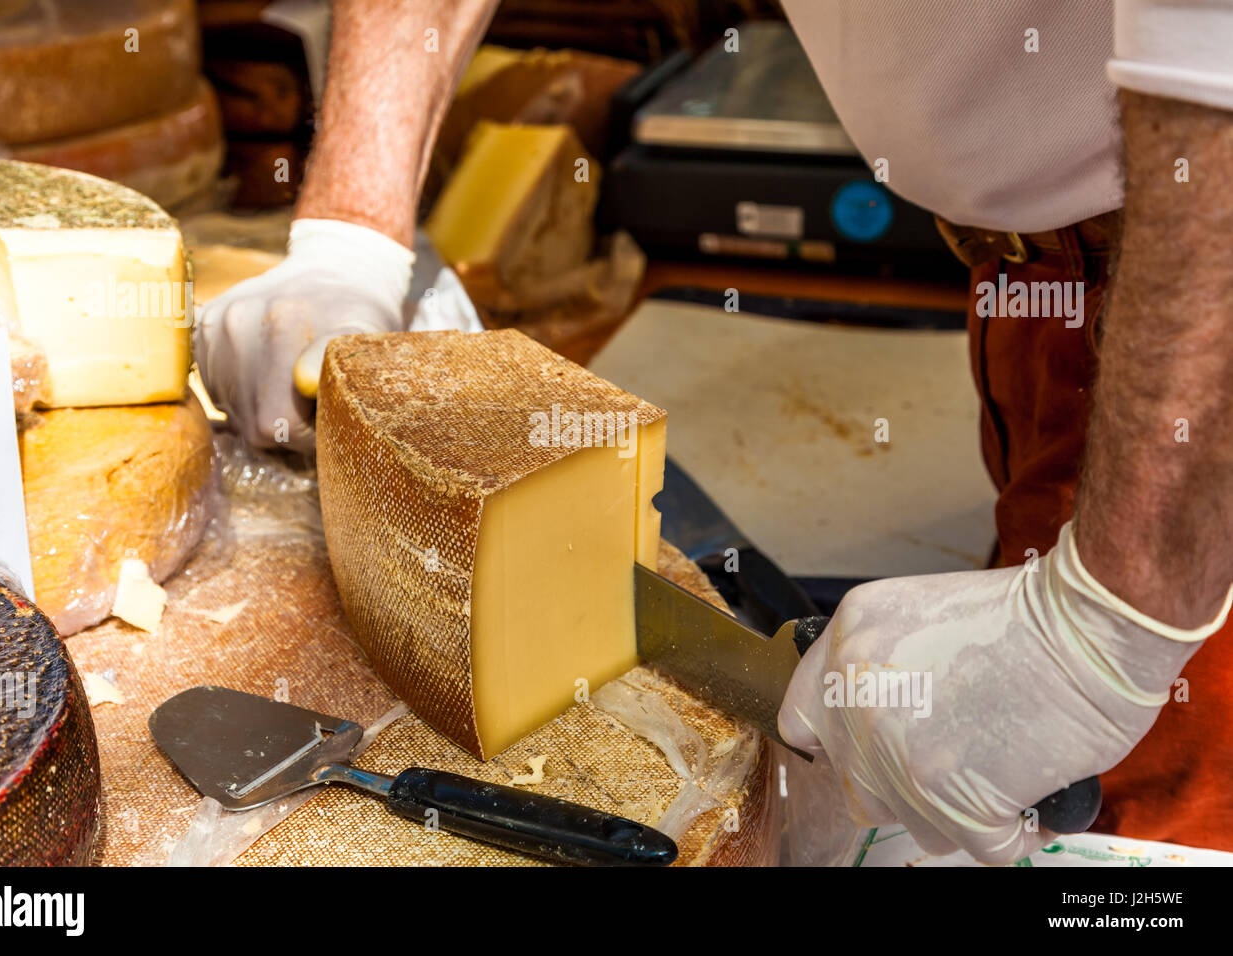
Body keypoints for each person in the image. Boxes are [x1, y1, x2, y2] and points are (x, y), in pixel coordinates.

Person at [195, 0, 1233, 862]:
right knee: (984, 751)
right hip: (1035, 277)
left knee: (1147, 842)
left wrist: (1112, 622)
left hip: (1194, 297)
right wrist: (349, 236)